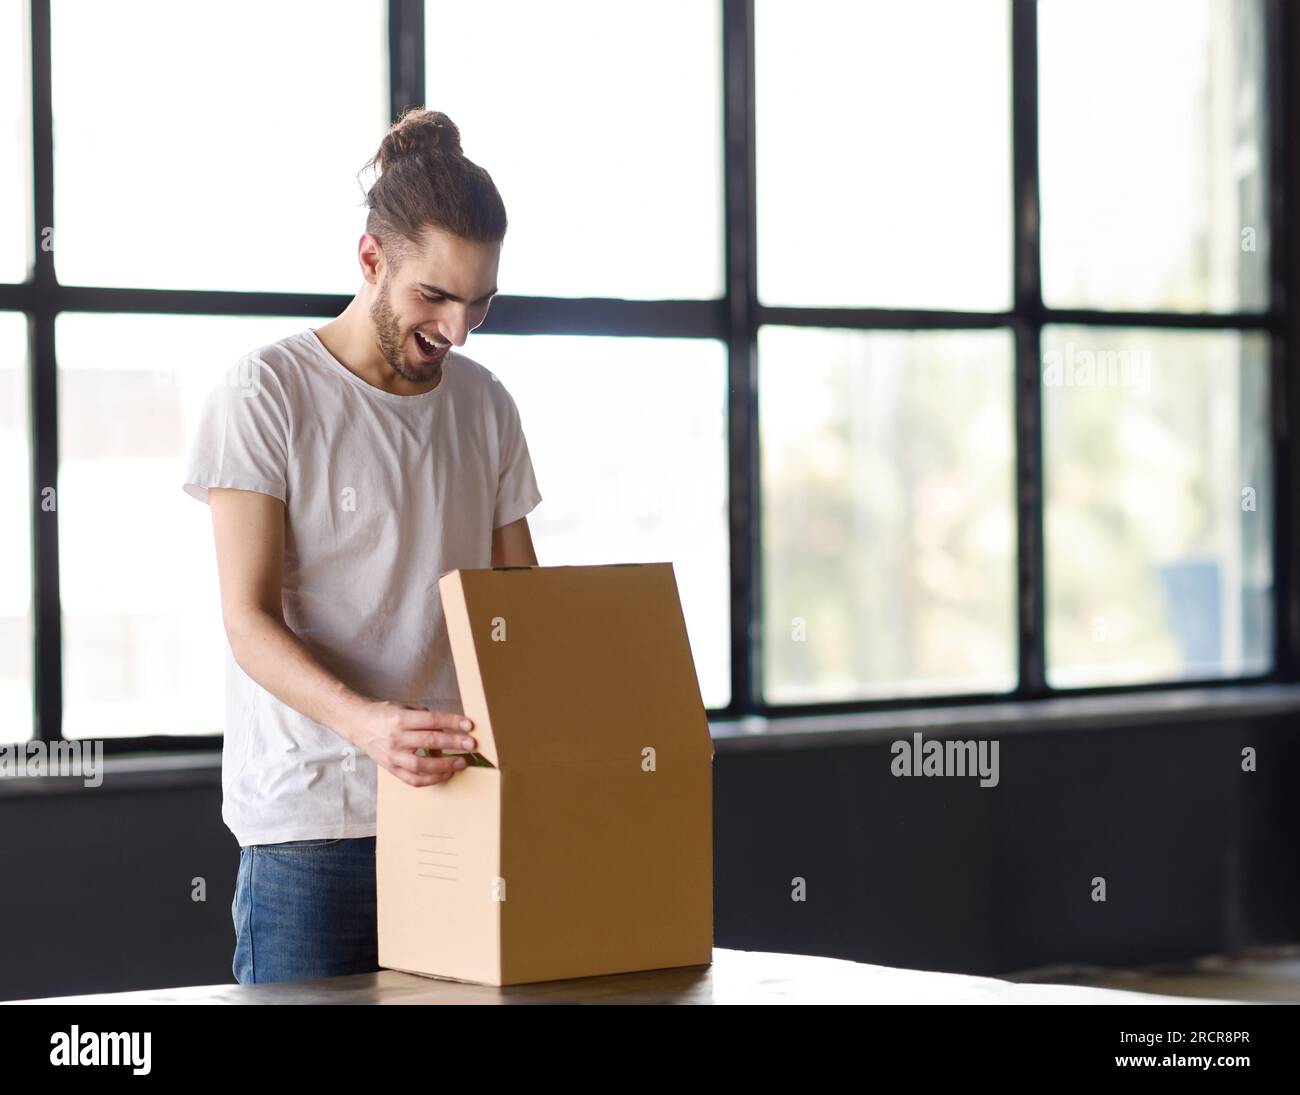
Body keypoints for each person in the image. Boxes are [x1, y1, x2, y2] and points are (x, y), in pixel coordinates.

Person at [180, 108, 541, 985]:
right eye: (436, 297)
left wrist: (617, 725)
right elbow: (248, 620)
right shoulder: (268, 392)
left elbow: (522, 612)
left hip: (458, 815)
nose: (457, 331)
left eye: (480, 304)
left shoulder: (484, 406)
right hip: (313, 827)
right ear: (371, 259)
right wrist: (372, 726)